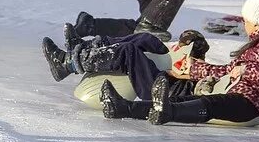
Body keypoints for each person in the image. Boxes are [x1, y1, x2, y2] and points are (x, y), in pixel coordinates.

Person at [99, 0, 259, 126]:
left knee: (209, 104)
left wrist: (246, 70)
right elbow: (229, 71)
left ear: (256, 23)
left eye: (246, 21)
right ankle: (124, 108)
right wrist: (196, 69)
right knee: (179, 99)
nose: (245, 26)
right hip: (239, 94)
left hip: (253, 104)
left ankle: (165, 113)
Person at [41, 27, 210, 99]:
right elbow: (210, 70)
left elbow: (209, 86)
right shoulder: (233, 67)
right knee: (147, 39)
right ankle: (82, 47)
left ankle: (67, 64)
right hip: (177, 78)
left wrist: (187, 72)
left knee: (128, 51)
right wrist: (195, 46)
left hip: (169, 90)